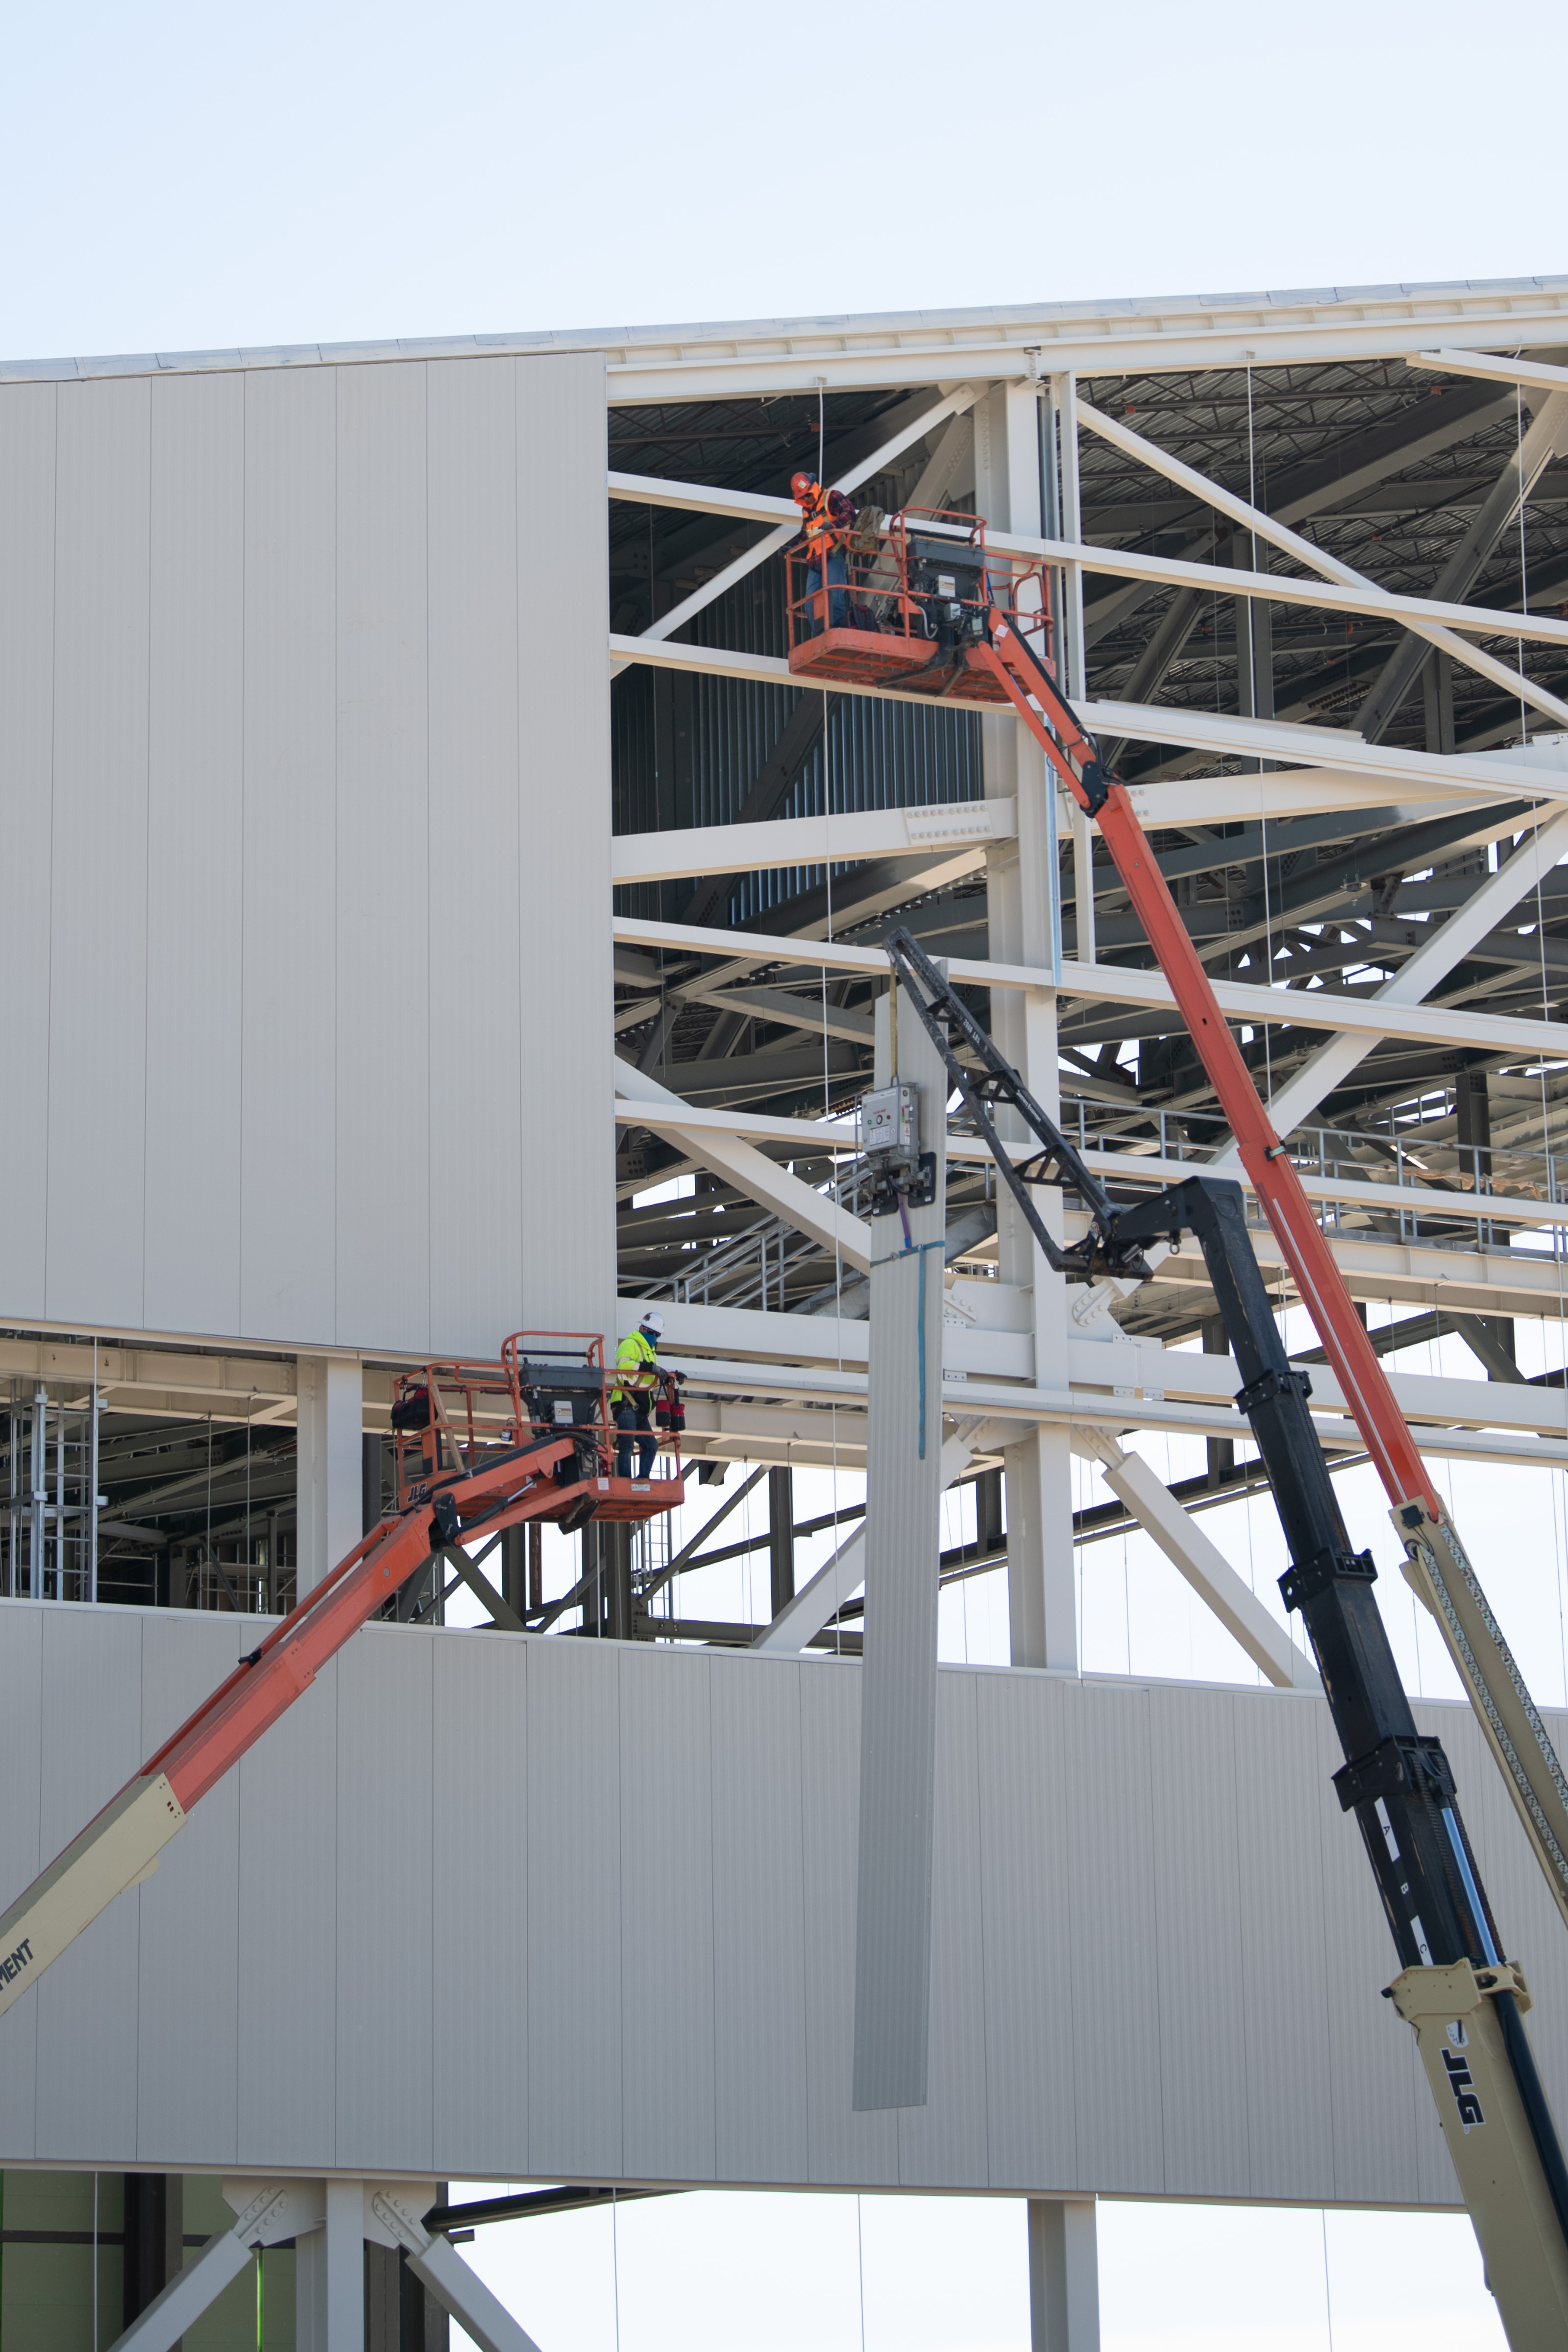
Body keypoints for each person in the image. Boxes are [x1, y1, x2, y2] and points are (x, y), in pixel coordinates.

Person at [789, 470, 855, 633]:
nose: (806, 500)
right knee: (810, 603)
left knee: (834, 596)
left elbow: (850, 513)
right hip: (815, 560)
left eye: (808, 496)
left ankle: (836, 632)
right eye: (802, 498)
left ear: (814, 488)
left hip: (833, 555)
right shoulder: (806, 510)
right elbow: (806, 533)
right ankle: (819, 635)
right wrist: (789, 547)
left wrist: (834, 525)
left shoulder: (831, 498)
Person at [612, 1309, 665, 1478]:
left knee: (651, 1446)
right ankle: (625, 1482)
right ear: (642, 1329)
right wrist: (649, 1368)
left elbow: (649, 1381)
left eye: (657, 1335)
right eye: (653, 1334)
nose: (655, 1338)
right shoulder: (630, 1344)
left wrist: (670, 1377)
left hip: (640, 1408)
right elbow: (623, 1367)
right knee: (627, 1446)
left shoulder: (651, 1353)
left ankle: (643, 1480)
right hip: (625, 1403)